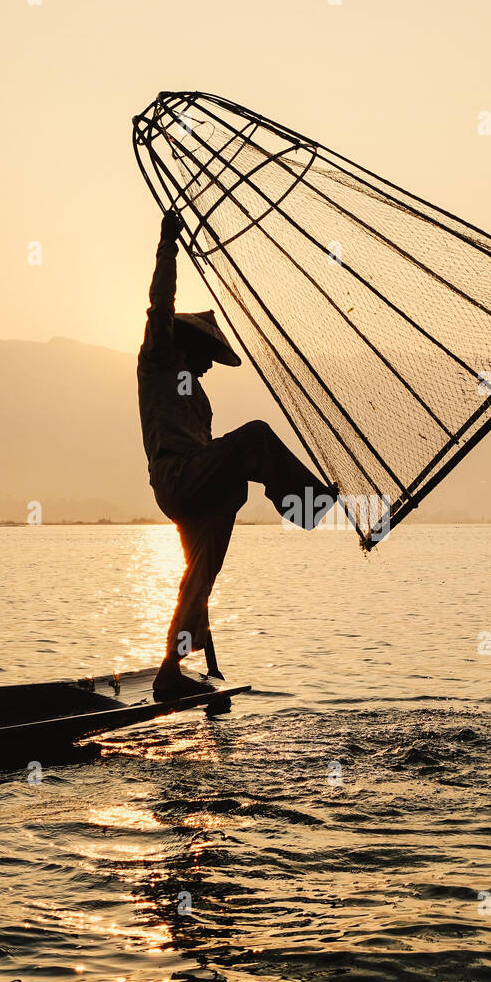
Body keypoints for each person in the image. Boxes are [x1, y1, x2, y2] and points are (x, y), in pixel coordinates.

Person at [138, 210, 338, 699]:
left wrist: (212, 668)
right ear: (186, 345)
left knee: (199, 575)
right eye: (206, 355)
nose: (208, 365)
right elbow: (160, 303)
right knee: (255, 437)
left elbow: (211, 452)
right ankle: (306, 506)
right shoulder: (160, 360)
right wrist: (168, 243)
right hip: (178, 477)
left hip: (197, 487)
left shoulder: (197, 396)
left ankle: (173, 667)